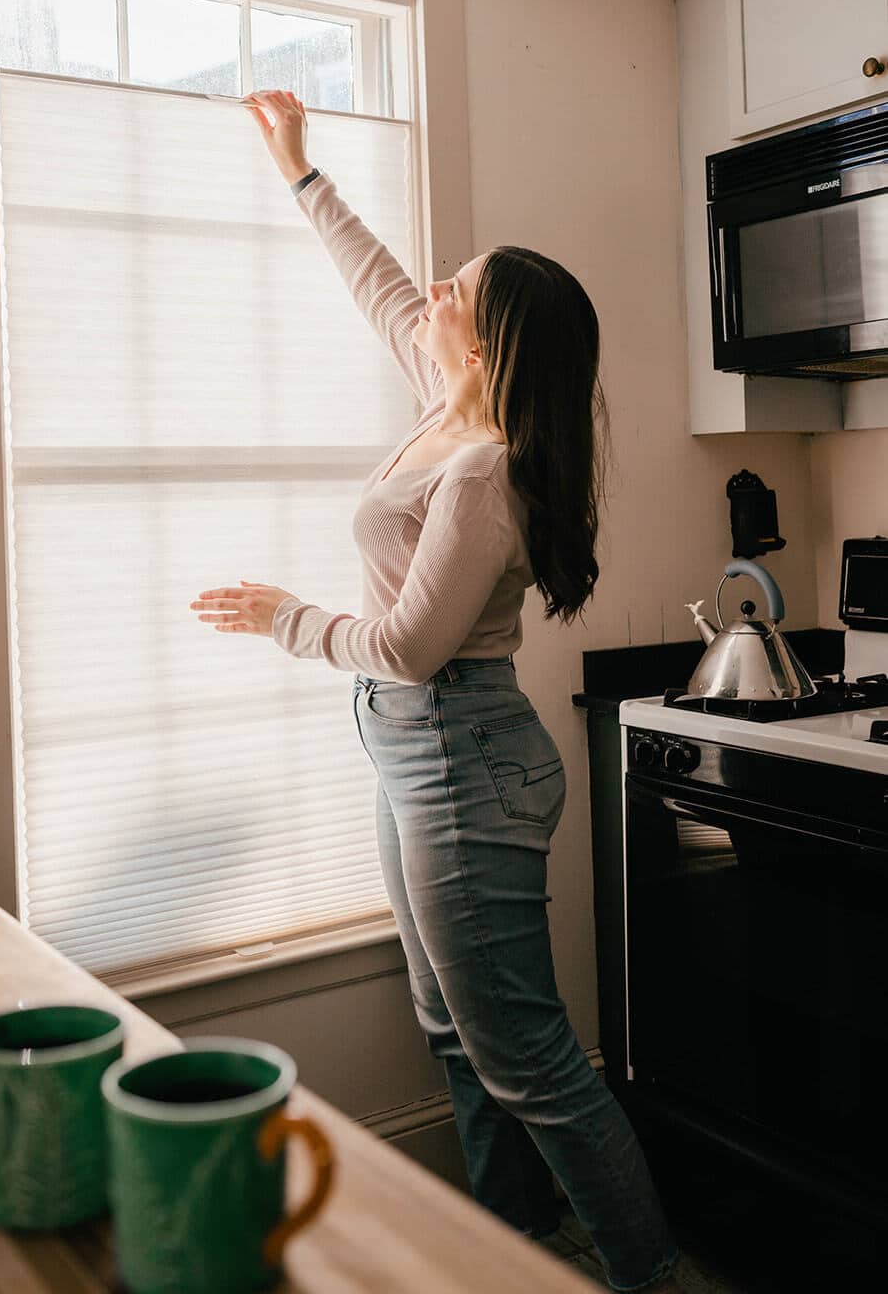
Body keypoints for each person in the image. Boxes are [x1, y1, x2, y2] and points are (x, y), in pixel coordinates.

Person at [189, 89, 683, 1293]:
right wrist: (303, 174)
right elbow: (382, 284)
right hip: (414, 747)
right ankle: (510, 1250)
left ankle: (646, 1275)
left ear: (492, 339)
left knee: (532, 1061)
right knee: (458, 1034)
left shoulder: (482, 473)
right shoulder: (445, 388)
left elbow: (411, 647)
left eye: (459, 288)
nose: (437, 291)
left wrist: (284, 620)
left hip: (459, 747)